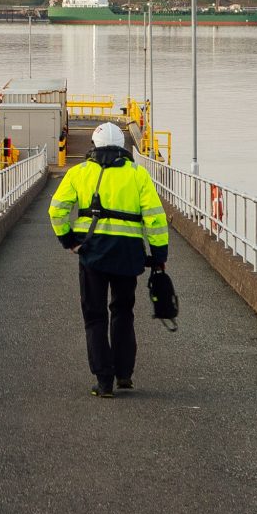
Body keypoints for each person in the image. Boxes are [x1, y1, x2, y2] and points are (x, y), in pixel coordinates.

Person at [50, 121, 168, 397]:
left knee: (94, 316)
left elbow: (56, 210)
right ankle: (124, 374)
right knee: (123, 312)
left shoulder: (79, 172)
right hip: (128, 255)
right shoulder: (138, 175)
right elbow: (155, 218)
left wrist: (69, 241)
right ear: (123, 146)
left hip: (92, 253)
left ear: (94, 145)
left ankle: (104, 382)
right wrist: (159, 255)